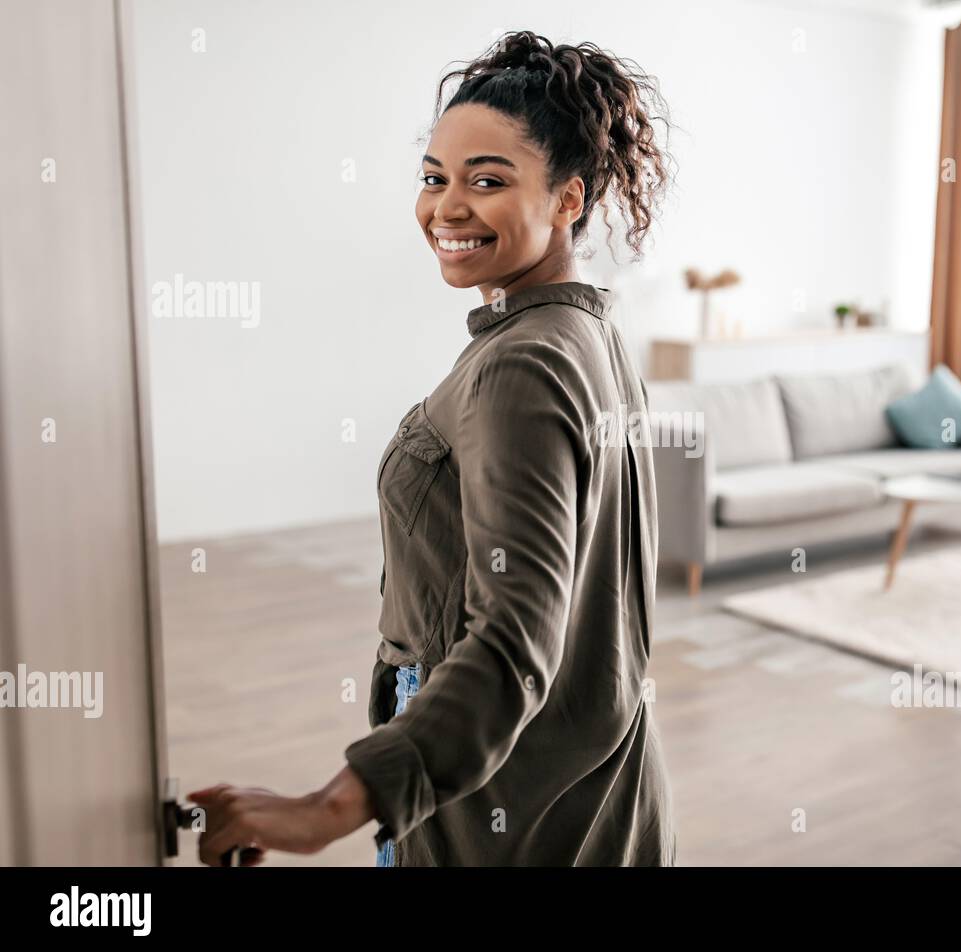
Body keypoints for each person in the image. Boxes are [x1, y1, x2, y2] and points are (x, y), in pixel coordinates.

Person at [188, 29, 680, 866]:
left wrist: (328, 808)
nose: (446, 208)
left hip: (501, 799)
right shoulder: (587, 331)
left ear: (569, 197)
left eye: (487, 181)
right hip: (595, 774)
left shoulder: (523, 362)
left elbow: (513, 638)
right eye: (433, 178)